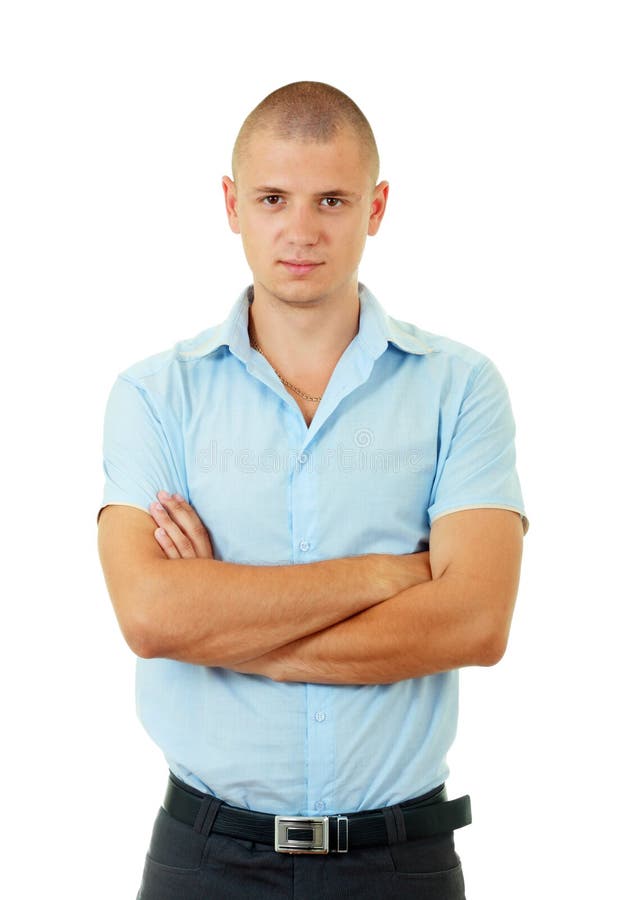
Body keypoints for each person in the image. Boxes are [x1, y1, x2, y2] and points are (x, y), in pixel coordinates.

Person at [97, 81, 528, 900]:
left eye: (332, 199)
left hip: (400, 861)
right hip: (205, 858)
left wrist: (223, 624)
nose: (301, 230)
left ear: (377, 207)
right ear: (232, 204)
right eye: (272, 198)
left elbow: (476, 621)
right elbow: (151, 617)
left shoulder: (460, 388)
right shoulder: (156, 397)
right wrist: (390, 576)